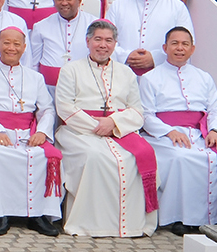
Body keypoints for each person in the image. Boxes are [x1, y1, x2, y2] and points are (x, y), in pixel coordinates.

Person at [54, 19, 157, 238]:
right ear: (88, 41)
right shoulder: (70, 70)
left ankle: (132, 224)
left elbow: (137, 110)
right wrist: (97, 126)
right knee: (94, 156)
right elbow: (64, 107)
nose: (103, 45)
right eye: (98, 39)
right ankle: (90, 224)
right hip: (78, 131)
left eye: (108, 40)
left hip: (119, 131)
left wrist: (114, 124)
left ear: (115, 44)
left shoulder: (125, 72)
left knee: (136, 158)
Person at [139, 27, 217, 232]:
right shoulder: (150, 78)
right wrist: (169, 132)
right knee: (181, 157)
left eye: (185, 44)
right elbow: (145, 114)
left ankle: (215, 218)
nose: (180, 48)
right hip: (164, 135)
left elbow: (214, 109)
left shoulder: (203, 77)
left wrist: (214, 130)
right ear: (165, 48)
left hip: (200, 133)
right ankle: (180, 218)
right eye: (175, 43)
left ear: (192, 49)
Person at [0, 27, 62, 236]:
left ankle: (37, 215)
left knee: (43, 156)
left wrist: (42, 132)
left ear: (24, 48)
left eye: (16, 44)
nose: (11, 48)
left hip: (27, 132)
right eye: (6, 43)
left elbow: (47, 108)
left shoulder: (35, 77)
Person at [109, 0, 194, 75]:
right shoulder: (118, 5)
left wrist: (154, 58)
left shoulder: (177, 7)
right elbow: (106, 38)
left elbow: (186, 42)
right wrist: (126, 56)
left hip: (163, 74)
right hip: (122, 72)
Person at [29, 0, 97, 95]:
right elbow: (34, 64)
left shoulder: (94, 25)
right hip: (48, 90)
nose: (64, 3)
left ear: (79, 0)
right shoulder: (41, 26)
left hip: (84, 90)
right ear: (53, 0)